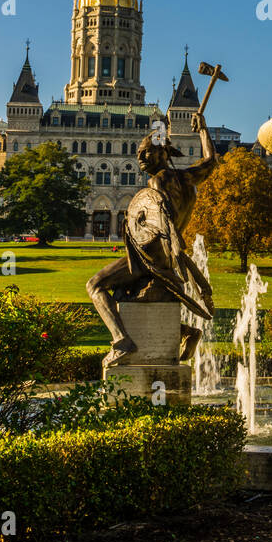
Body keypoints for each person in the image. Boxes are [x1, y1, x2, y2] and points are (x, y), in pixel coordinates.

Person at [86, 111, 217, 366]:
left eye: (147, 152)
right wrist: (203, 129)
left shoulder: (159, 181)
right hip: (166, 257)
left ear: (164, 152)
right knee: (124, 294)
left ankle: (122, 341)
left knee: (96, 285)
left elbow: (162, 220)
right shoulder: (184, 178)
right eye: (138, 155)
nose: (141, 159)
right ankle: (185, 332)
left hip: (152, 255)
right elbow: (211, 161)